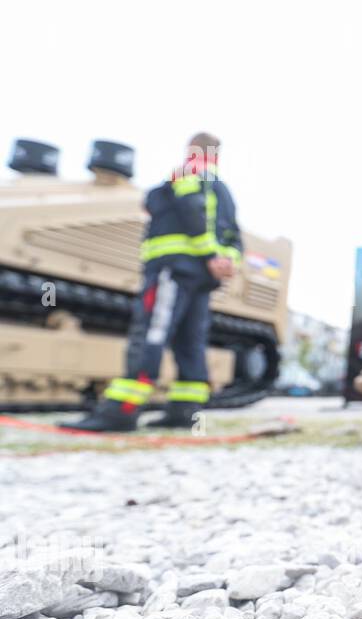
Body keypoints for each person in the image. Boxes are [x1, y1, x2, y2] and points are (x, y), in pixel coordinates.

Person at [62, 133, 242, 432]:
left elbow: (191, 210)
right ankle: (186, 412)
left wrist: (209, 253)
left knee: (152, 334)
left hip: (173, 269)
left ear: (192, 149)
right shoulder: (224, 191)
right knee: (190, 342)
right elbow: (235, 236)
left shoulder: (186, 172)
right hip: (202, 278)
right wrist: (227, 260)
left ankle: (123, 411)